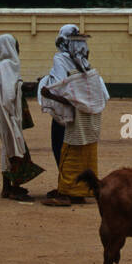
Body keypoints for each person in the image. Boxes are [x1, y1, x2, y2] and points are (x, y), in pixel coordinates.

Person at [40, 30, 109, 207]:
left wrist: (48, 94)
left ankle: (65, 194)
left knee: (68, 154)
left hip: (73, 120)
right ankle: (81, 191)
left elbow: (69, 96)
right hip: (90, 121)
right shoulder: (87, 67)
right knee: (85, 155)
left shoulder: (62, 61)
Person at [0, 34, 44, 200]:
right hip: (8, 114)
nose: (18, 50)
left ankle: (8, 188)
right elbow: (8, 95)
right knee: (15, 150)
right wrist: (22, 88)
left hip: (6, 113)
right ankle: (13, 189)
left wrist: (23, 86)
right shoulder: (7, 66)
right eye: (16, 46)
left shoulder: (0, 65)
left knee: (9, 148)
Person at [37, 23, 87, 173]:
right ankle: (76, 185)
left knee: (60, 148)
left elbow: (60, 88)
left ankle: (66, 186)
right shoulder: (83, 59)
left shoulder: (60, 59)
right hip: (81, 112)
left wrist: (48, 91)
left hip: (63, 113)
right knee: (76, 150)